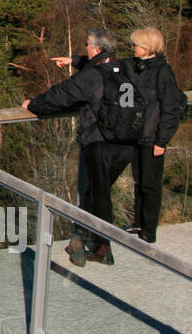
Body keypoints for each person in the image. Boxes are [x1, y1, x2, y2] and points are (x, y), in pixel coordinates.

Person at [22, 28, 132, 267]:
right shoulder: (128, 67)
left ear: (98, 49)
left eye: (88, 46)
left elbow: (61, 95)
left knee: (87, 195)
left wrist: (33, 105)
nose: (86, 49)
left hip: (99, 144)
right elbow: (98, 63)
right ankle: (97, 246)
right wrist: (75, 60)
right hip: (126, 145)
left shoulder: (91, 77)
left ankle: (82, 245)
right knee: (99, 196)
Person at [125, 27, 184, 243]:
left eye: (137, 45)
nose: (133, 48)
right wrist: (74, 59)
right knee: (139, 182)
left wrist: (162, 140)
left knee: (150, 185)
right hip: (138, 136)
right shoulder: (138, 68)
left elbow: (171, 109)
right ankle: (138, 224)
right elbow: (108, 65)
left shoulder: (163, 72)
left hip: (152, 138)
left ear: (147, 47)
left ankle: (148, 231)